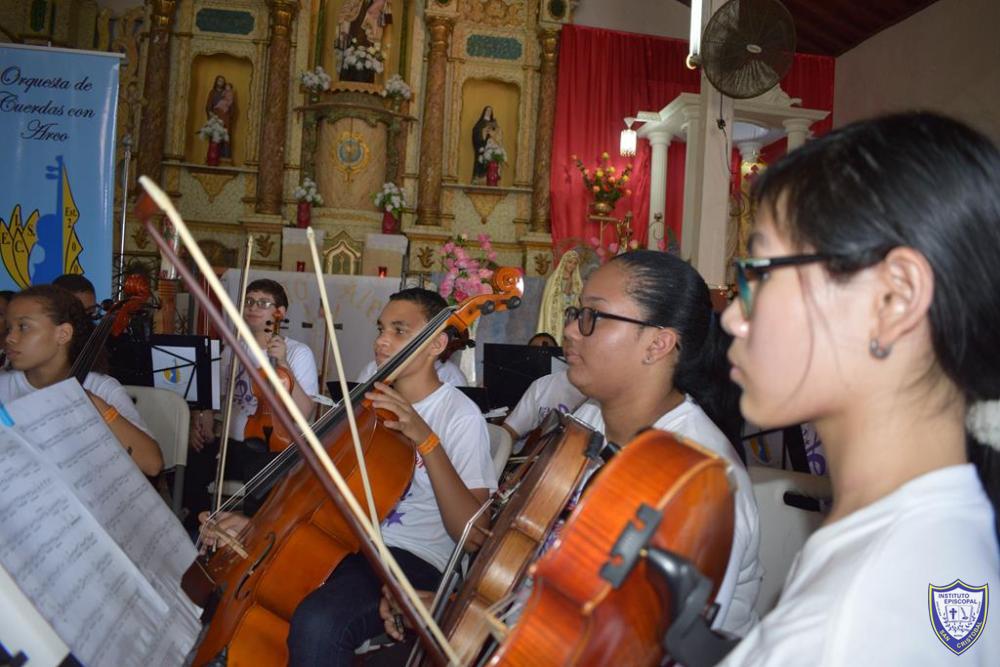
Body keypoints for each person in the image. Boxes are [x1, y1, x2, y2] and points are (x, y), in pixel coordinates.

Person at [717, 113, 1000, 664]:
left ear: (894, 300)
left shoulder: (854, 623)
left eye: (758, 273)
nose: (731, 318)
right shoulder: (921, 541)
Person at [381, 251, 760, 641]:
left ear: (658, 343)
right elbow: (544, 573)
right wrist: (450, 605)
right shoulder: (589, 422)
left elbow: (633, 644)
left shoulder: (703, 479)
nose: (572, 331)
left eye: (593, 316)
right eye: (575, 313)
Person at [284, 287, 496, 666]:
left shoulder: (460, 415)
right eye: (381, 328)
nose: (381, 341)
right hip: (347, 542)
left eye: (399, 331)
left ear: (437, 344)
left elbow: (474, 534)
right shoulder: (371, 395)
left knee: (319, 623)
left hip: (411, 559)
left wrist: (427, 440)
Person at [184, 279, 318, 526]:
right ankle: (199, 525)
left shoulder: (299, 352)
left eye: (263, 303)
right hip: (230, 442)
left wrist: (284, 365)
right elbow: (213, 399)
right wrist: (201, 417)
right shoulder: (232, 349)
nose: (254, 307)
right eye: (249, 301)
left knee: (264, 472)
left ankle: (251, 535)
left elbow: (305, 413)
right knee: (187, 456)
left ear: (280, 313)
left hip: (271, 446)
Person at [0, 285, 162, 476]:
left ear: (63, 334)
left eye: (24, 327)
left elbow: (152, 464)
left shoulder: (101, 389)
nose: (10, 338)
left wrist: (90, 402)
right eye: (9, 328)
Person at [536, 250, 584, 346]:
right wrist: (564, 295)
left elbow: (580, 300)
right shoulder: (554, 281)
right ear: (564, 262)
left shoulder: (577, 282)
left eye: (574, 263)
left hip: (571, 316)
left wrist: (572, 297)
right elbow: (549, 301)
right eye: (570, 262)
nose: (572, 265)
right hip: (557, 315)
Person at [471, 106, 496, 183]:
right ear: (484, 111)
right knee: (479, 162)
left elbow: (496, 134)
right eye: (487, 110)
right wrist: (483, 134)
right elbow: (475, 132)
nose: (488, 112)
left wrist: (491, 134)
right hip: (481, 146)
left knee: (490, 164)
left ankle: (489, 180)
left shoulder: (493, 123)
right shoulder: (480, 123)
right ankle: (477, 179)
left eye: (490, 111)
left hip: (489, 146)